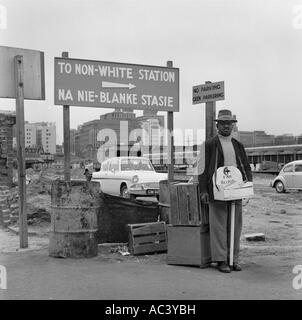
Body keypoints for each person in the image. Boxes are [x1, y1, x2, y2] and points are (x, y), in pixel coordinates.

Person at [198, 109, 252, 273]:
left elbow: (246, 167)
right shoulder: (209, 145)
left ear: (233, 126)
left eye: (229, 123)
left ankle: (233, 259)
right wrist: (203, 191)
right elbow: (202, 169)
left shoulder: (238, 145)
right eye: (223, 123)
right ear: (217, 125)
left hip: (236, 190)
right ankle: (221, 260)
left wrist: (248, 185)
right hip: (216, 190)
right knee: (219, 226)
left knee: (235, 226)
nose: (226, 126)